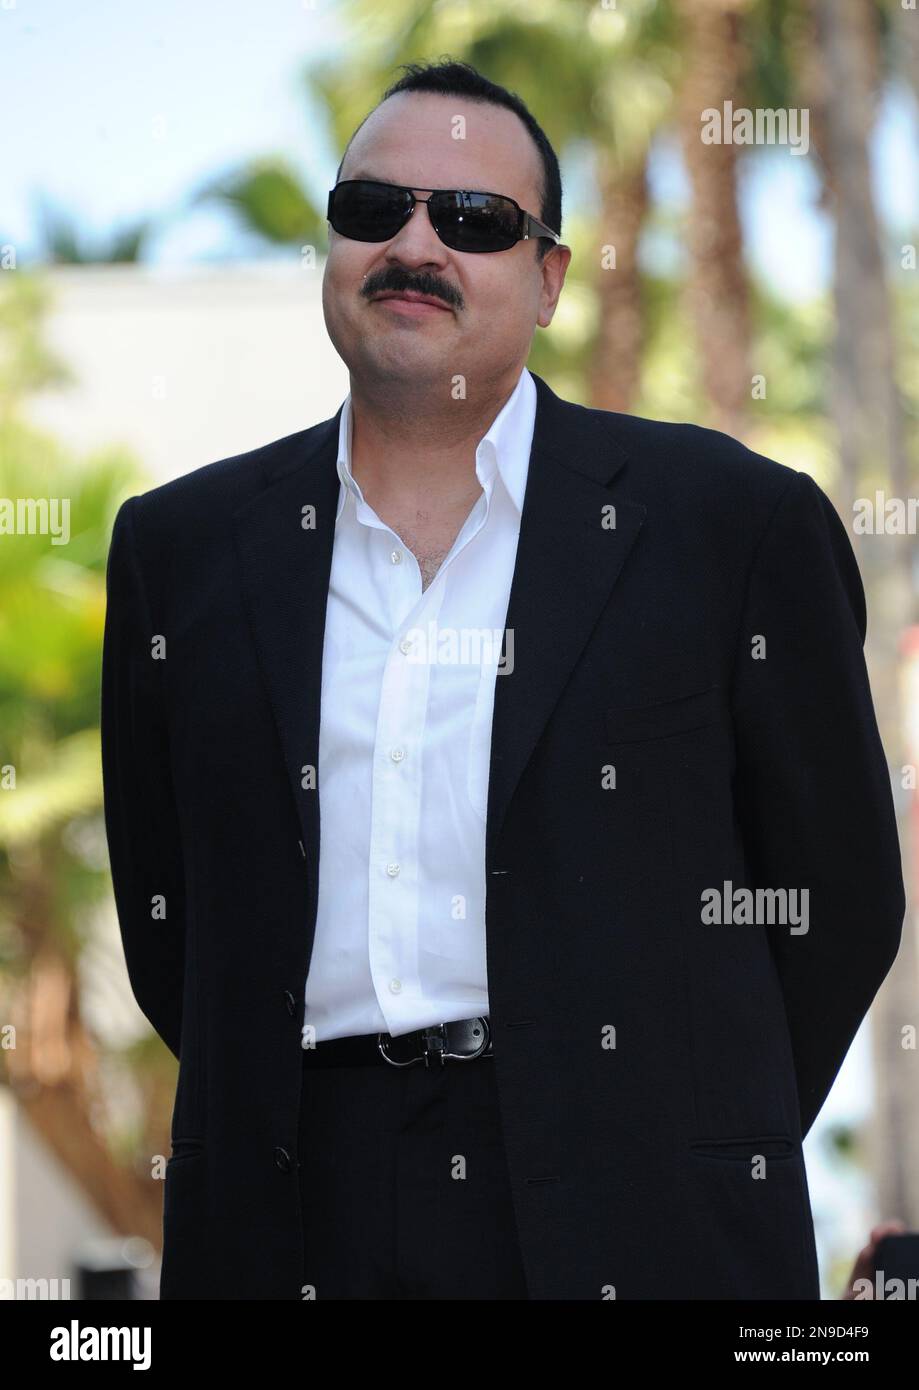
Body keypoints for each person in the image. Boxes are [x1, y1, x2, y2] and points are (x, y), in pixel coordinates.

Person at [101, 59, 905, 1300]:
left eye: (471, 222)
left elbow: (834, 899)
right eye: (375, 209)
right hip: (288, 1216)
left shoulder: (731, 528)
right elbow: (174, 927)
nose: (413, 244)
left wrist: (685, 1133)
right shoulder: (180, 551)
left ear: (546, 279)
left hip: (641, 1220)